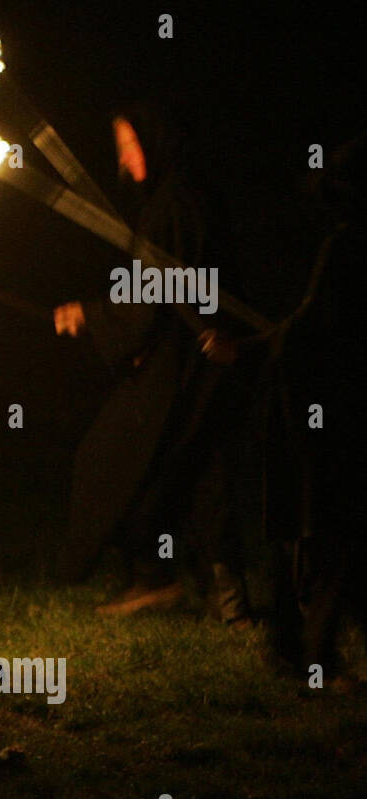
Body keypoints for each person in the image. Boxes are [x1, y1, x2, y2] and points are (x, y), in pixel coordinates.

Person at [52, 102, 252, 624]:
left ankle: (154, 577)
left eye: (131, 143)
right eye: (119, 146)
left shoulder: (173, 205)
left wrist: (90, 315)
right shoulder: (182, 193)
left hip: (188, 362)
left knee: (119, 459)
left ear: (156, 140)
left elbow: (152, 293)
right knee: (200, 471)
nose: (123, 157)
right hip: (198, 360)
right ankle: (224, 598)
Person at [203, 134, 367, 680]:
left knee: (328, 530)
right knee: (328, 530)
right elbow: (307, 328)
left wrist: (246, 349)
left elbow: (309, 329)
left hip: (326, 406)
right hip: (324, 406)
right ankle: (303, 651)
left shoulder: (345, 247)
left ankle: (302, 649)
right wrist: (250, 349)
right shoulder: (342, 246)